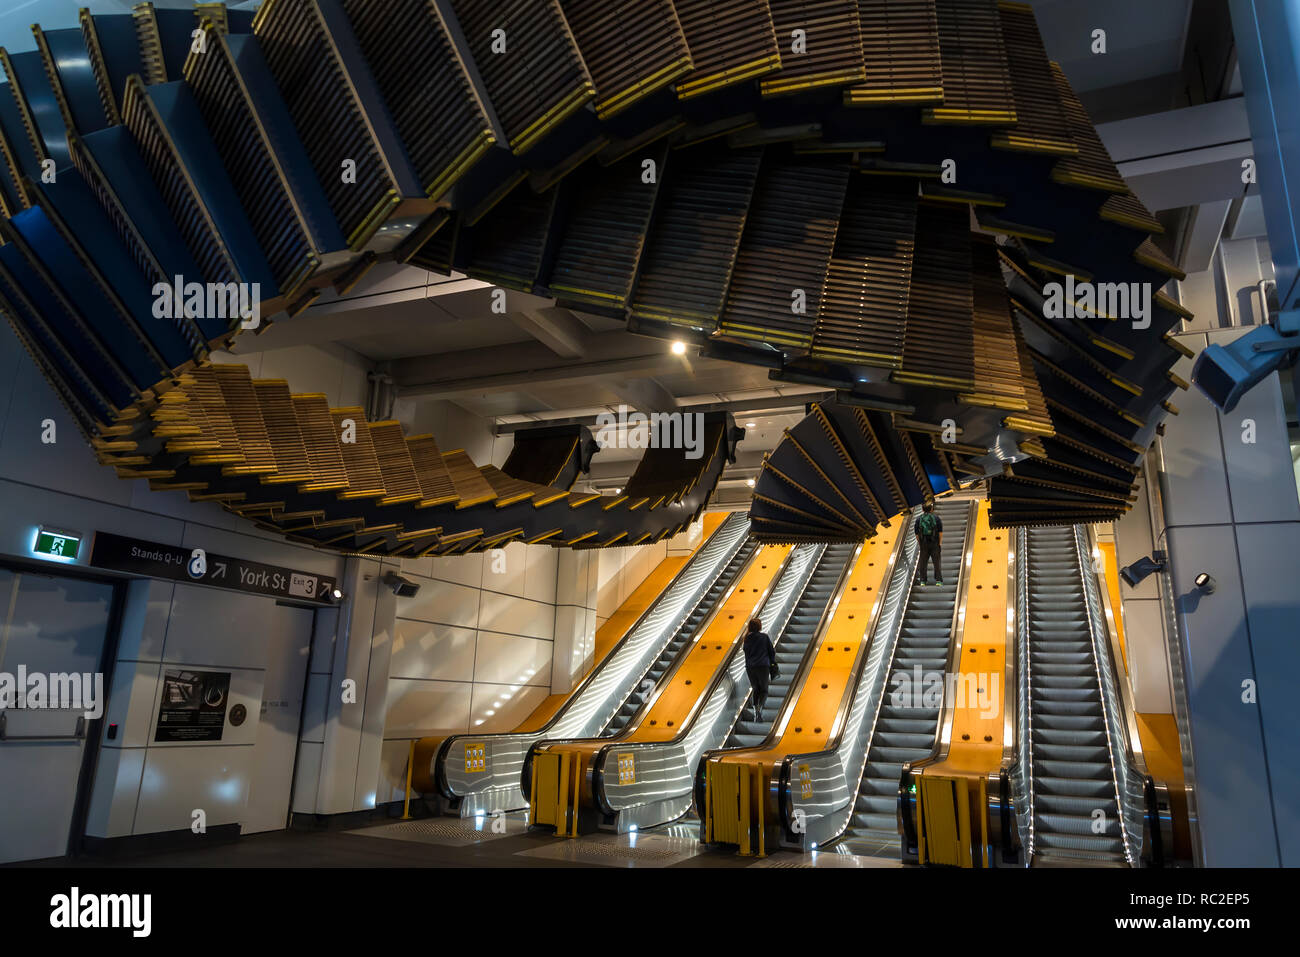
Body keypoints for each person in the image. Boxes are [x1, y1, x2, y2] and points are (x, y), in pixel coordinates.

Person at [741, 618, 778, 723]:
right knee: (764, 690)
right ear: (759, 626)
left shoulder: (746, 638)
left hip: (750, 667)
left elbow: (746, 652)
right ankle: (759, 711)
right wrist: (772, 663)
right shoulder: (764, 637)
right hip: (763, 666)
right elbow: (771, 652)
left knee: (755, 689)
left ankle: (755, 711)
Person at [915, 500, 944, 586]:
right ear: (932, 509)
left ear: (922, 509)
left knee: (923, 563)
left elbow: (916, 533)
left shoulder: (918, 519)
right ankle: (938, 580)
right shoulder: (936, 518)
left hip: (924, 543)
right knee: (937, 562)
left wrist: (920, 543)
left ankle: (923, 581)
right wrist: (940, 543)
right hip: (934, 543)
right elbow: (940, 532)